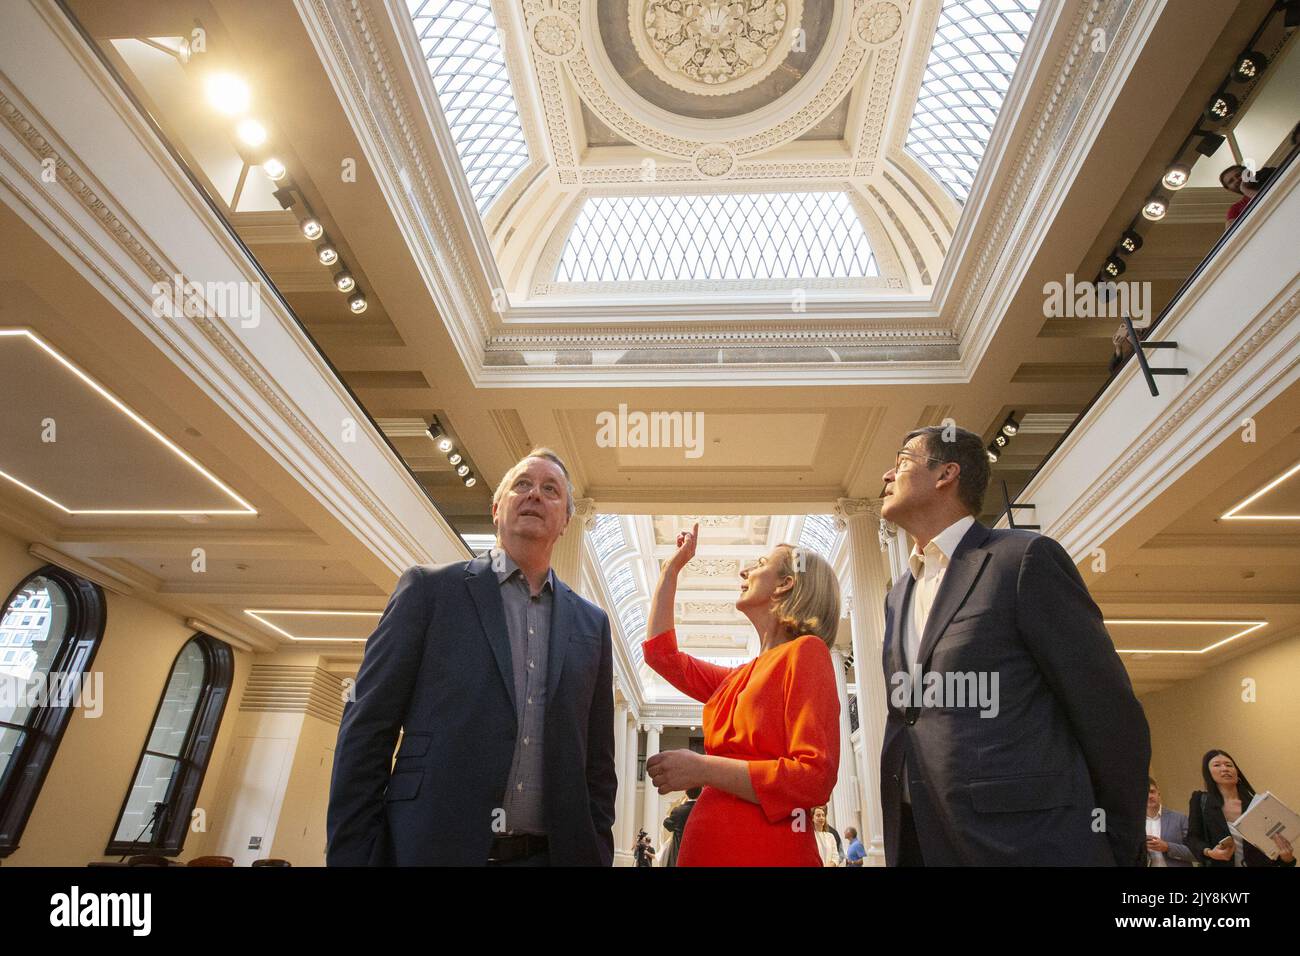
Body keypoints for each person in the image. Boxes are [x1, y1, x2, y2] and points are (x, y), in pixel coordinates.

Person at [326, 449, 617, 866]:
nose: (534, 494)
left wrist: (597, 851)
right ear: (497, 509)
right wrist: (355, 856)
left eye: (550, 490)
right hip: (428, 850)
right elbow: (366, 729)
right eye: (522, 484)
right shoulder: (429, 592)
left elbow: (598, 765)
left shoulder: (592, 624)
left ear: (566, 521)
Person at [878, 425, 1150, 866]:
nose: (887, 476)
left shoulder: (1022, 560)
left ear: (946, 474)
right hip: (923, 839)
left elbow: (1108, 711)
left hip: (1026, 843)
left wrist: (1116, 844)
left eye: (903, 462)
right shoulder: (897, 595)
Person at [642, 524, 841, 866]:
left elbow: (814, 778)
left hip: (764, 852)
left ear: (785, 583)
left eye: (761, 563)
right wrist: (670, 569)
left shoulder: (806, 652)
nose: (744, 570)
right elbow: (661, 655)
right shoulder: (739, 676)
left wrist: (703, 768)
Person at [1187, 749, 1296, 867]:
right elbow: (1192, 838)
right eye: (1217, 765)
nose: (1225, 768)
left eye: (1229, 765)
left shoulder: (1258, 803)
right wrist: (1210, 852)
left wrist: (1287, 858)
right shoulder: (1201, 800)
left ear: (1237, 772)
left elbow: (1275, 850)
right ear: (1208, 773)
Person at [1145, 778, 1194, 867]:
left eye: (1152, 792)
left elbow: (1195, 852)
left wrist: (1168, 847)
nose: (1149, 796)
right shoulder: (1134, 826)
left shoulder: (1179, 818)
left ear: (1158, 794)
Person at [662, 787, 701, 867]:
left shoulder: (678, 811)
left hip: (680, 855)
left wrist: (666, 817)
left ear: (686, 792)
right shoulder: (703, 810)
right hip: (699, 855)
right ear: (701, 792)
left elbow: (667, 824)